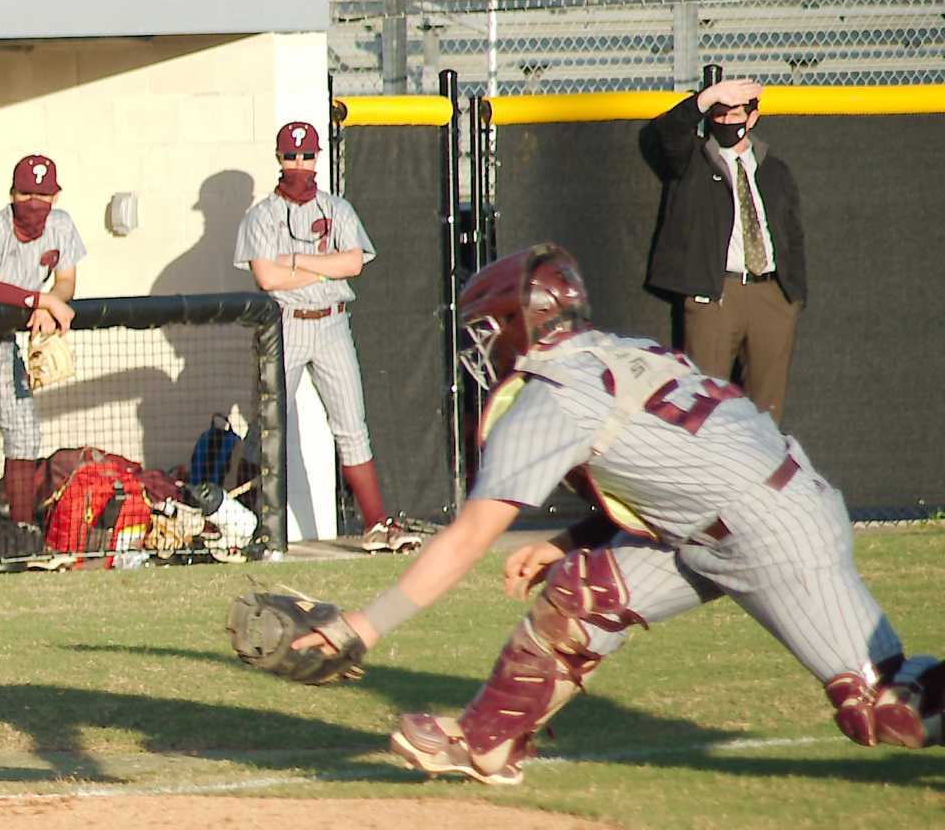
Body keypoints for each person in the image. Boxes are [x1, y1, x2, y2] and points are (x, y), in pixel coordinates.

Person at [292, 243, 938, 788]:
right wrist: (567, 540)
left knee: (882, 706)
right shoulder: (618, 351)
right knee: (581, 591)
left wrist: (361, 627)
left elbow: (467, 537)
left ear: (516, 323)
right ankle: (483, 741)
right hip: (739, 514)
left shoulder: (554, 395)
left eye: (485, 330)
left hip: (762, 529)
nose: (479, 349)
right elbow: (671, 471)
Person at [234, 120, 420, 555]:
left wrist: (296, 261)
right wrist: (324, 263)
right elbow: (265, 276)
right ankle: (240, 519)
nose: (300, 164)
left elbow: (353, 263)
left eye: (307, 156)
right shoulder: (261, 214)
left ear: (318, 158)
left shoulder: (337, 208)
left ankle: (376, 525)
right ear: (278, 159)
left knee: (352, 426)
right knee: (267, 424)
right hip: (286, 323)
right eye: (291, 156)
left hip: (333, 322)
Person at [641, 76, 805, 424]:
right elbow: (663, 133)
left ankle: (756, 477)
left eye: (735, 114)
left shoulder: (774, 170)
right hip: (716, 294)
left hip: (770, 294)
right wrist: (708, 96)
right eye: (720, 114)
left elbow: (791, 233)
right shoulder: (695, 160)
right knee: (705, 408)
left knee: (766, 416)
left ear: (753, 118)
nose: (728, 122)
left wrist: (790, 297)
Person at [0, 153, 84, 548]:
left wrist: (52, 302)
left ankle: (19, 526)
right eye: (26, 193)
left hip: (2, 342)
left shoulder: (62, 224)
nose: (35, 202)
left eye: (43, 194)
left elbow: (66, 280)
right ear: (12, 192)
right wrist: (42, 302)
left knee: (23, 429)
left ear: (57, 196)